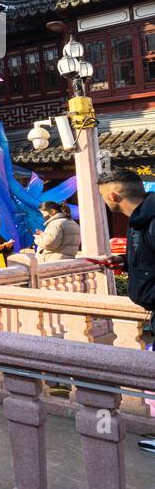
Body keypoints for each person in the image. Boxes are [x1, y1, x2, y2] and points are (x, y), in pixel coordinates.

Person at [98, 171, 155, 451]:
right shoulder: (139, 220)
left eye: (102, 197)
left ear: (113, 195)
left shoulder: (151, 219)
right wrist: (124, 262)